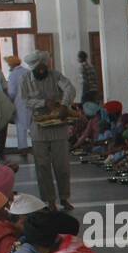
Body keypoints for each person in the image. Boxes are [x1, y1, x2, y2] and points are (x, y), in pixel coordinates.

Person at [20, 51, 77, 211]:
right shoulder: (25, 79)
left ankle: (64, 198)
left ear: (46, 64)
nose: (40, 71)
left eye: (42, 68)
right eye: (37, 69)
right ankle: (49, 201)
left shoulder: (56, 76)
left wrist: (64, 105)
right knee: (43, 167)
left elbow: (70, 89)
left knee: (62, 166)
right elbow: (25, 101)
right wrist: (44, 102)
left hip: (59, 128)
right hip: (39, 129)